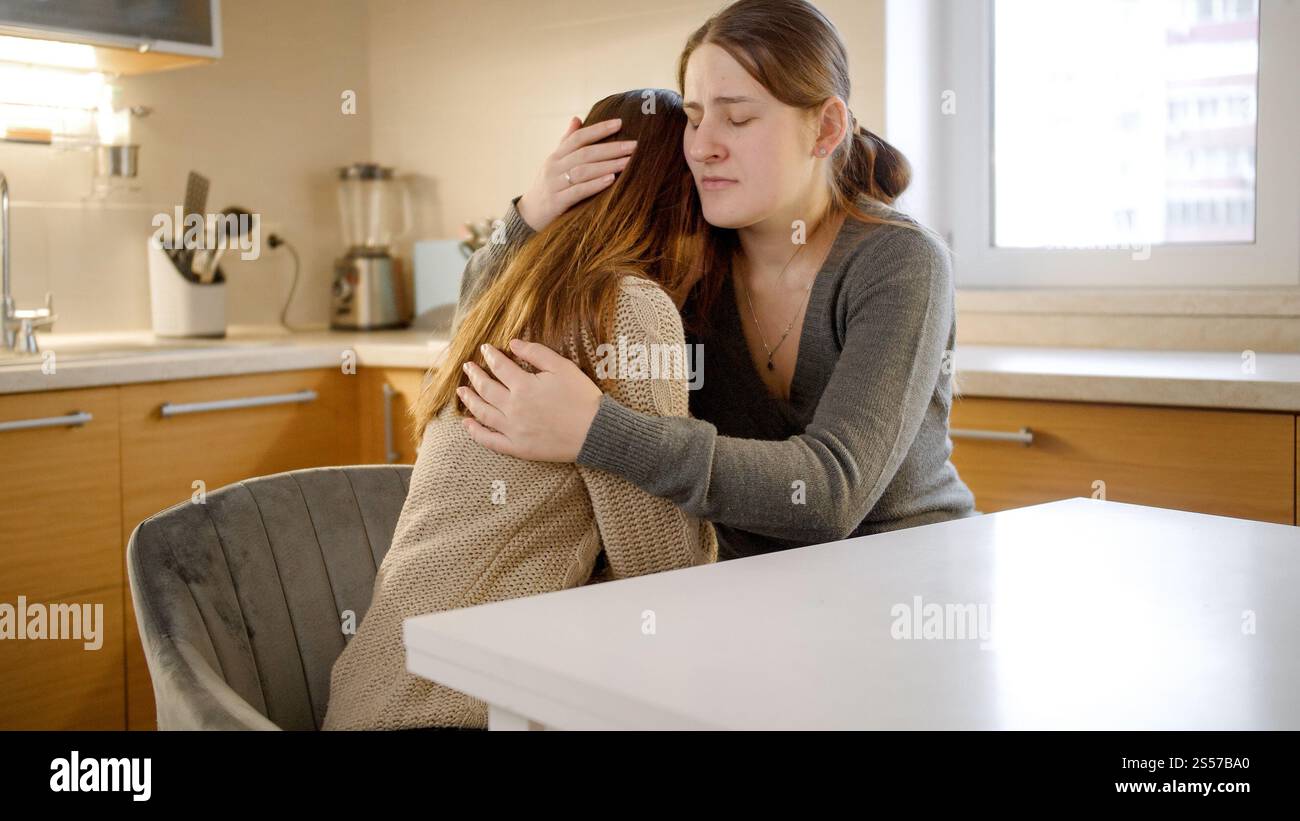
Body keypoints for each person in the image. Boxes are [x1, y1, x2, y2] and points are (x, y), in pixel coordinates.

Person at [455, 0, 977, 562]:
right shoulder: (684, 252)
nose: (702, 147)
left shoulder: (899, 260)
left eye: (739, 117)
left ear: (825, 127)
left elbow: (830, 493)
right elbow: (473, 331)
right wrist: (529, 217)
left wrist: (598, 433)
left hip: (903, 574)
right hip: (741, 586)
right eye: (696, 116)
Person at [323, 89, 718, 731]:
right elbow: (665, 573)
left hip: (369, 697)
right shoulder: (630, 307)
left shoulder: (511, 290)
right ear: (685, 203)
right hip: (457, 714)